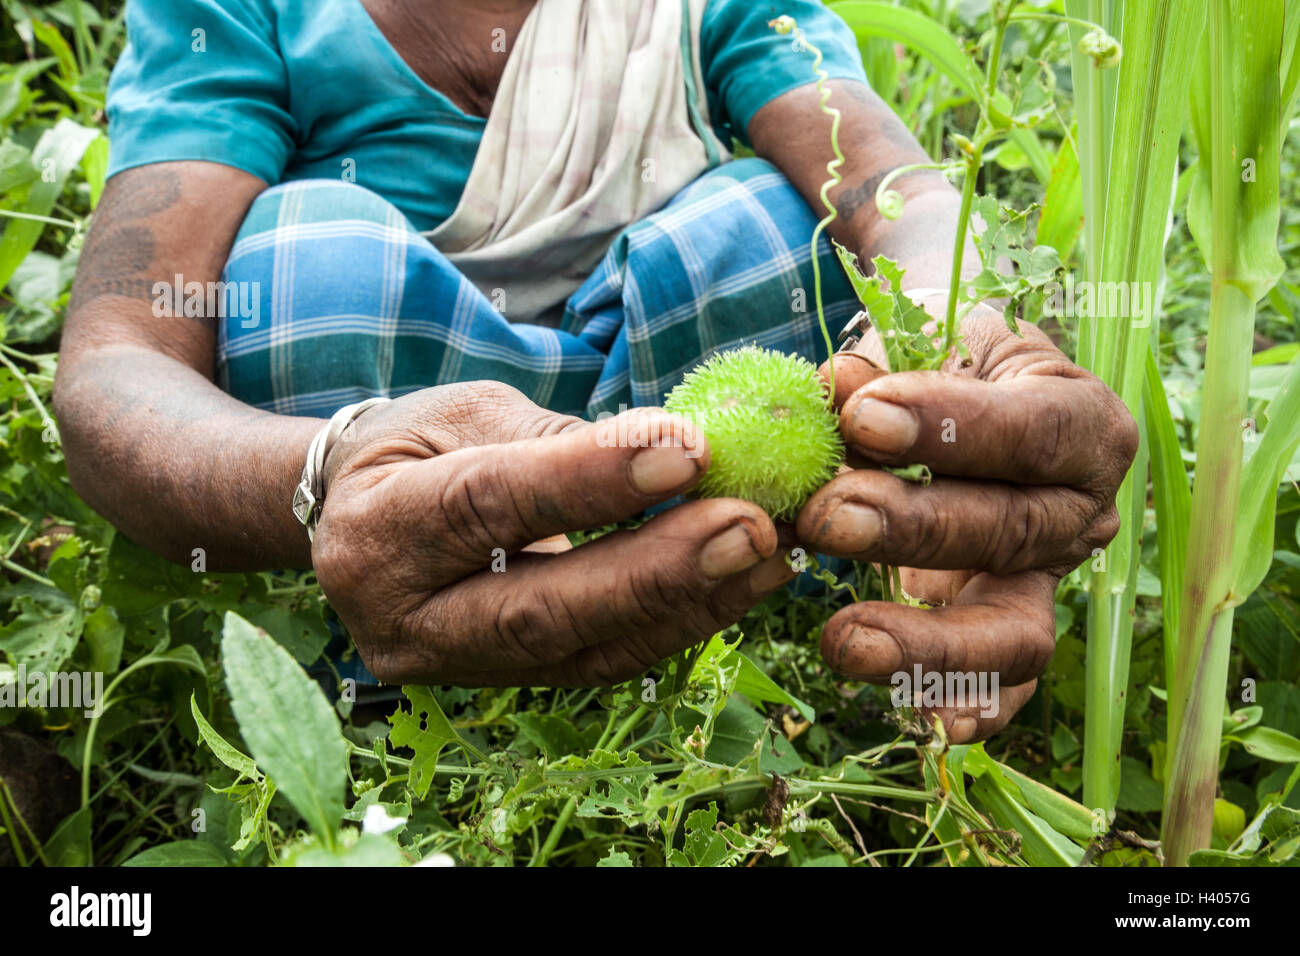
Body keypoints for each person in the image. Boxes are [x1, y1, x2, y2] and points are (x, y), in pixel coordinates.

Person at [53, 0, 1137, 742]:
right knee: (307, 262)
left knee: (772, 226)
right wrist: (326, 470)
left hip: (682, 435)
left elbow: (900, 199)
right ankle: (394, 677)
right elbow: (119, 361)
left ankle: (770, 626)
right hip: (412, 448)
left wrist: (976, 357)